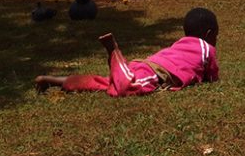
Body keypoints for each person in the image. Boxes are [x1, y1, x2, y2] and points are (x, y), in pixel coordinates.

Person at [35, 7, 219, 96]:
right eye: (215, 36)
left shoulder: (180, 43)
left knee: (104, 83)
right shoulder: (206, 48)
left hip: (143, 66)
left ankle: (53, 81)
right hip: (154, 74)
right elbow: (212, 76)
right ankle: (114, 52)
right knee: (128, 88)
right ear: (209, 34)